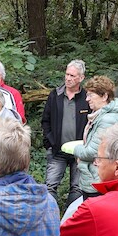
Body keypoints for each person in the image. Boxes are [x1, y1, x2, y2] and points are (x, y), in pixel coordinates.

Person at [69, 76, 118, 200]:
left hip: (98, 180)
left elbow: (92, 152)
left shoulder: (108, 119)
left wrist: (75, 149)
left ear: (104, 96)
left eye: (90, 95)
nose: (87, 99)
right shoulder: (101, 116)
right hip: (95, 177)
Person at [41, 60, 89, 203]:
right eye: (67, 74)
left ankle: (72, 219)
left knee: (78, 188)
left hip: (80, 151)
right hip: (57, 149)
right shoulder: (55, 95)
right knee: (50, 186)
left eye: (72, 76)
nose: (68, 78)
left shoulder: (87, 97)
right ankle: (51, 217)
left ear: (81, 78)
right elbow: (45, 120)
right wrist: (50, 141)